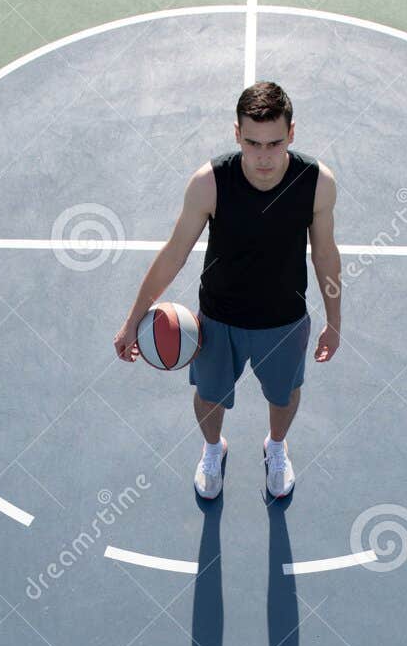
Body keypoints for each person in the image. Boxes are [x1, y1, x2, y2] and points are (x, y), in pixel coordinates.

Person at [113, 81, 341, 500]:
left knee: (284, 395)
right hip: (218, 319)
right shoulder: (210, 183)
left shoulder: (316, 183)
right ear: (236, 134)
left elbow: (325, 255)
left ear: (292, 134)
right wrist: (132, 321)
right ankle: (213, 449)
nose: (263, 156)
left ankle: (275, 447)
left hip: (284, 319)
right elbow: (174, 254)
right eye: (252, 143)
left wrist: (335, 322)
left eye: (274, 143)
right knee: (209, 396)